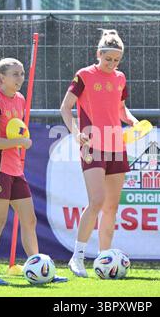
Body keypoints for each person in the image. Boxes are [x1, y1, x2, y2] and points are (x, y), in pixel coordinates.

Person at [0, 58, 67, 285]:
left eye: (22, 74)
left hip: (15, 169)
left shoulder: (19, 99)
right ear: (2, 78)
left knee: (29, 220)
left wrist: (18, 140)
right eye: (15, 74)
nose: (20, 79)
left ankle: (39, 268)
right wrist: (19, 141)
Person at [60, 29, 139, 278]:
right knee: (96, 202)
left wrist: (134, 122)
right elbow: (65, 108)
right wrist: (75, 133)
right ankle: (77, 258)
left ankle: (105, 259)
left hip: (117, 146)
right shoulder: (84, 75)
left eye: (116, 60)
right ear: (98, 54)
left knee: (111, 207)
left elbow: (121, 110)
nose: (112, 64)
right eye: (108, 59)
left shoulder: (120, 78)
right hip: (92, 145)